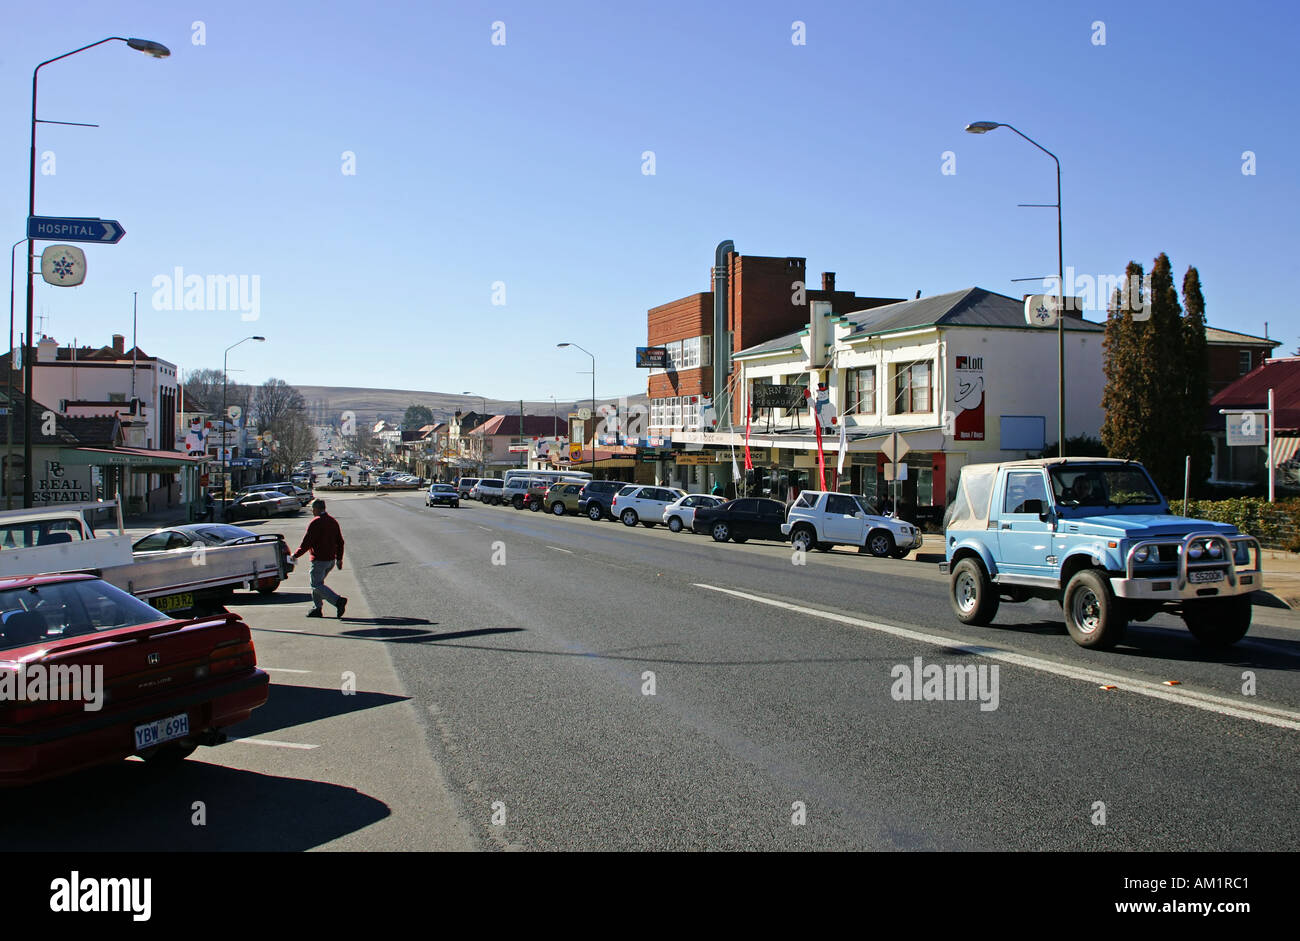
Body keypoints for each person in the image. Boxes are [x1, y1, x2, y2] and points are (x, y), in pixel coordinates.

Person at [292, 499, 348, 619]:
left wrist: (295, 555)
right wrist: (339, 559)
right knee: (318, 584)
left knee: (316, 585)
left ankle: (338, 600)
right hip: (331, 560)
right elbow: (340, 542)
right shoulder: (333, 521)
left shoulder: (316, 523)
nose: (312, 511)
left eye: (313, 509)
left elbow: (307, 542)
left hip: (319, 559)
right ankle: (317, 609)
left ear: (317, 509)